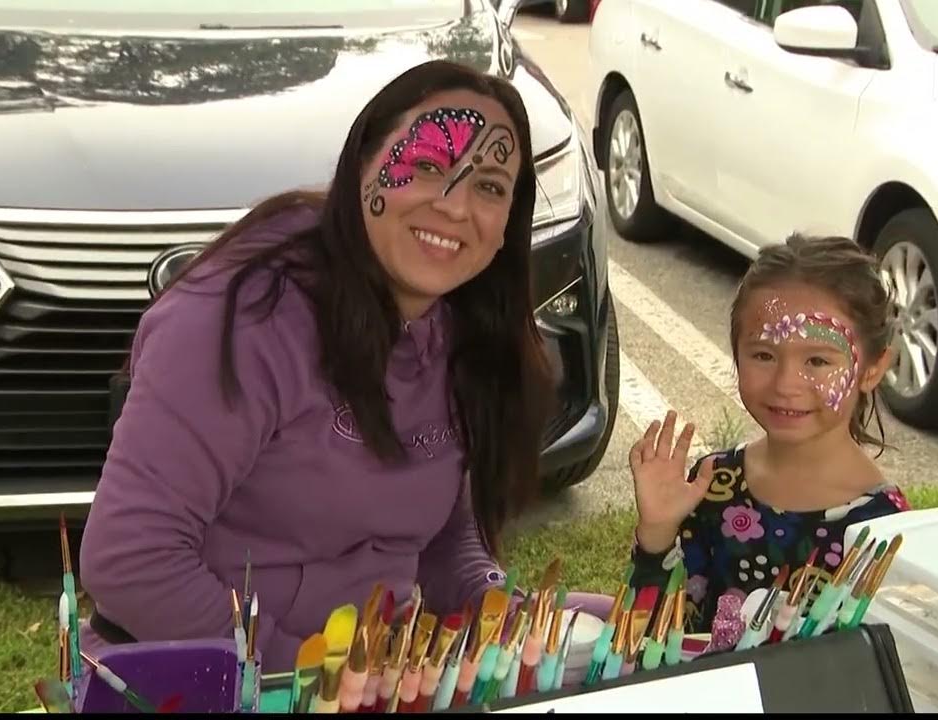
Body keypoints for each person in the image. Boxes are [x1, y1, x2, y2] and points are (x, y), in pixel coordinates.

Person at [78, 60, 606, 674]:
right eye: (428, 166)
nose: (455, 207)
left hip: (362, 668)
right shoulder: (241, 316)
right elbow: (131, 558)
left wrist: (499, 611)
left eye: (489, 186)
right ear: (361, 166)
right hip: (206, 677)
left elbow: (439, 535)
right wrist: (309, 674)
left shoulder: (459, 323)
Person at [627, 235, 911, 632]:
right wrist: (657, 534)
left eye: (817, 360)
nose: (786, 384)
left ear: (872, 370)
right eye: (763, 355)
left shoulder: (885, 529)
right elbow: (646, 640)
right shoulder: (713, 485)